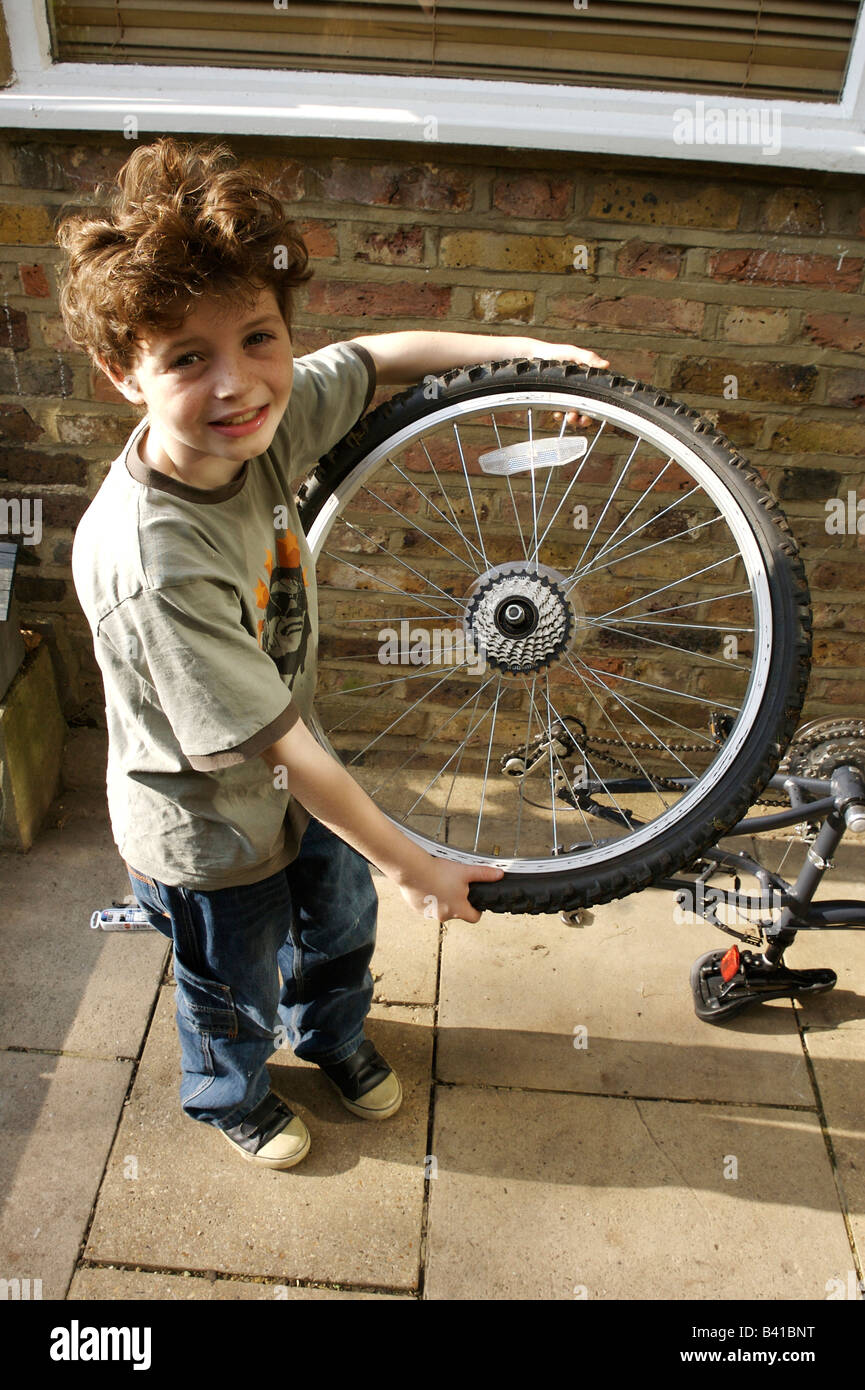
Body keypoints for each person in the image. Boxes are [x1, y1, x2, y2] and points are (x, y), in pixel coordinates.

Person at [57, 137, 609, 1169]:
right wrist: (413, 859)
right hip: (203, 825)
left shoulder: (258, 415)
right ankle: (230, 1091)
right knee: (232, 979)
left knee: (340, 925)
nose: (239, 384)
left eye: (259, 338)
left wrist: (533, 364)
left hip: (299, 782)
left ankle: (336, 1038)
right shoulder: (151, 561)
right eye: (185, 358)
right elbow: (271, 742)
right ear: (122, 372)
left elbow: (377, 358)